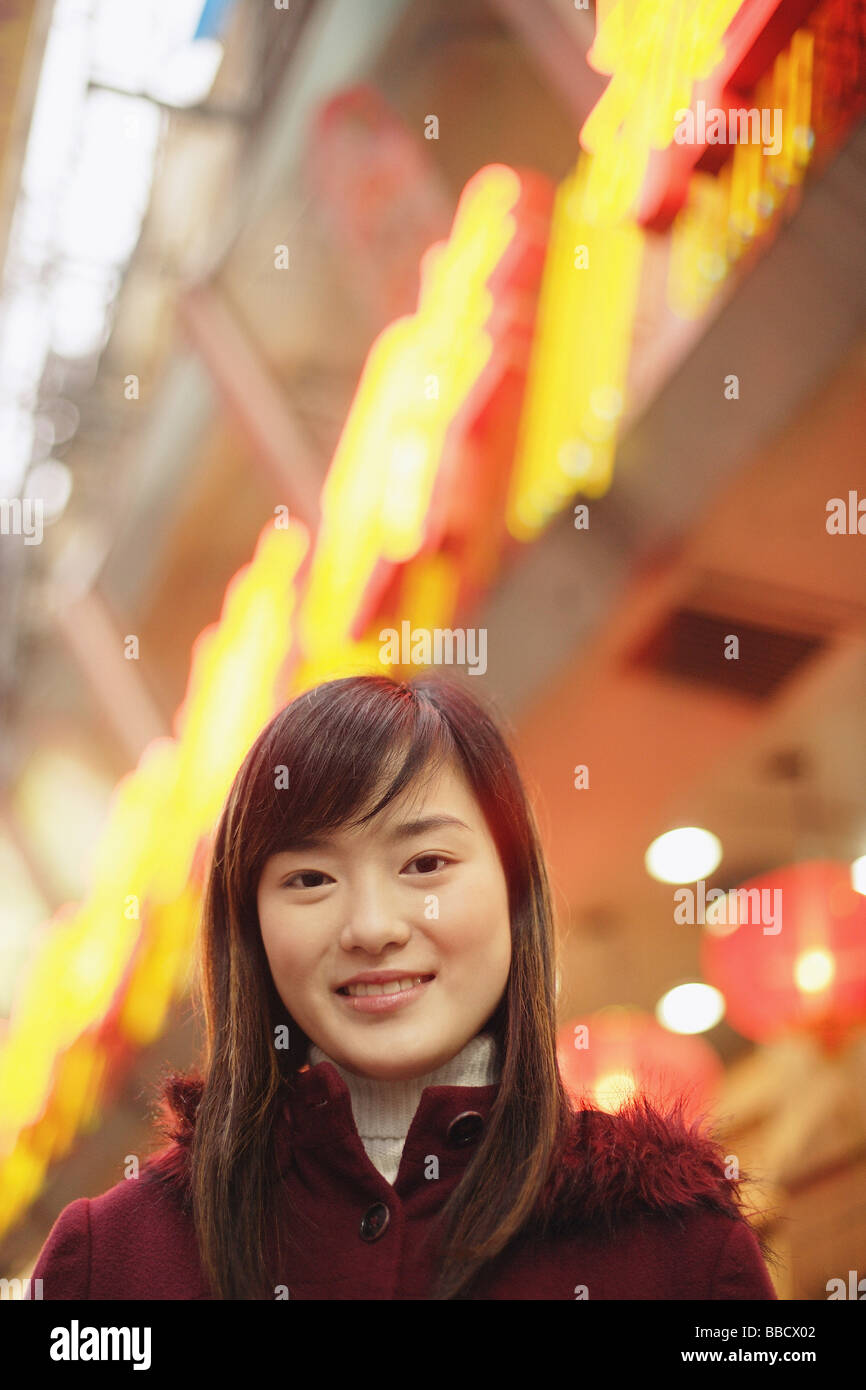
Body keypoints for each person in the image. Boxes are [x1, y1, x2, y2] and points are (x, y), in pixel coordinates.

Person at [30, 674, 778, 1300]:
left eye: (424, 864)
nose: (372, 926)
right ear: (249, 926)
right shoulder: (111, 1263)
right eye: (310, 879)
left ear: (516, 891)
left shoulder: (677, 1246)